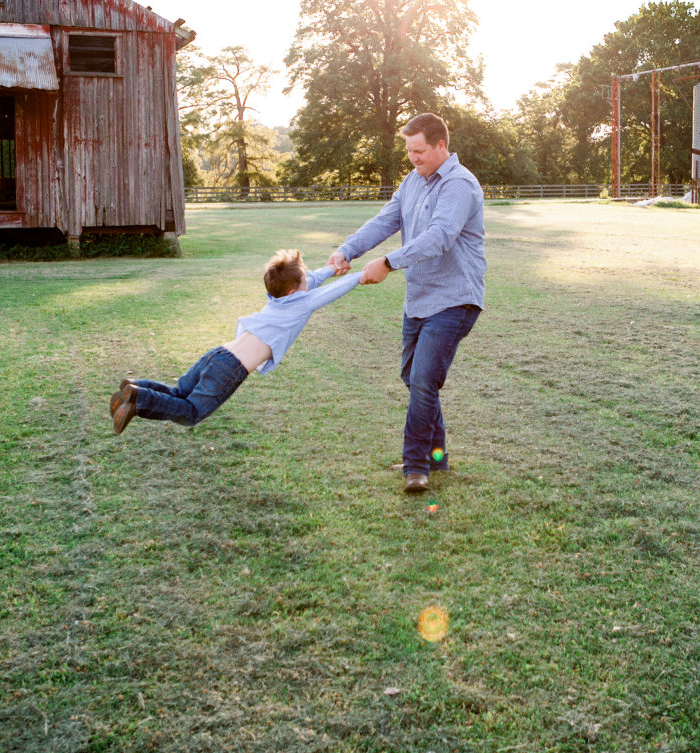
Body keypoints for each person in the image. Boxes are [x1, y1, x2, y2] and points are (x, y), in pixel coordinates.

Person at [329, 113, 485, 494]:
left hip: (454, 299)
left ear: (440, 145)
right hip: (419, 298)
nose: (413, 158)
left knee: (422, 381)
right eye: (409, 151)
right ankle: (438, 455)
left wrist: (387, 263)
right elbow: (385, 221)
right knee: (413, 379)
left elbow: (440, 237)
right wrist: (347, 249)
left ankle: (417, 467)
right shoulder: (412, 182)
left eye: (419, 151)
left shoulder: (459, 185)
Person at [110, 249, 359, 433]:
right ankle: (139, 398)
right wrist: (361, 276)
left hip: (218, 353)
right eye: (306, 280)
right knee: (191, 412)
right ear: (294, 290)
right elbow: (328, 292)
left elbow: (310, 281)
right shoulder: (301, 303)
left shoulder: (280, 298)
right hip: (230, 369)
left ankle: (133, 388)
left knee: (179, 393)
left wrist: (330, 270)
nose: (310, 281)